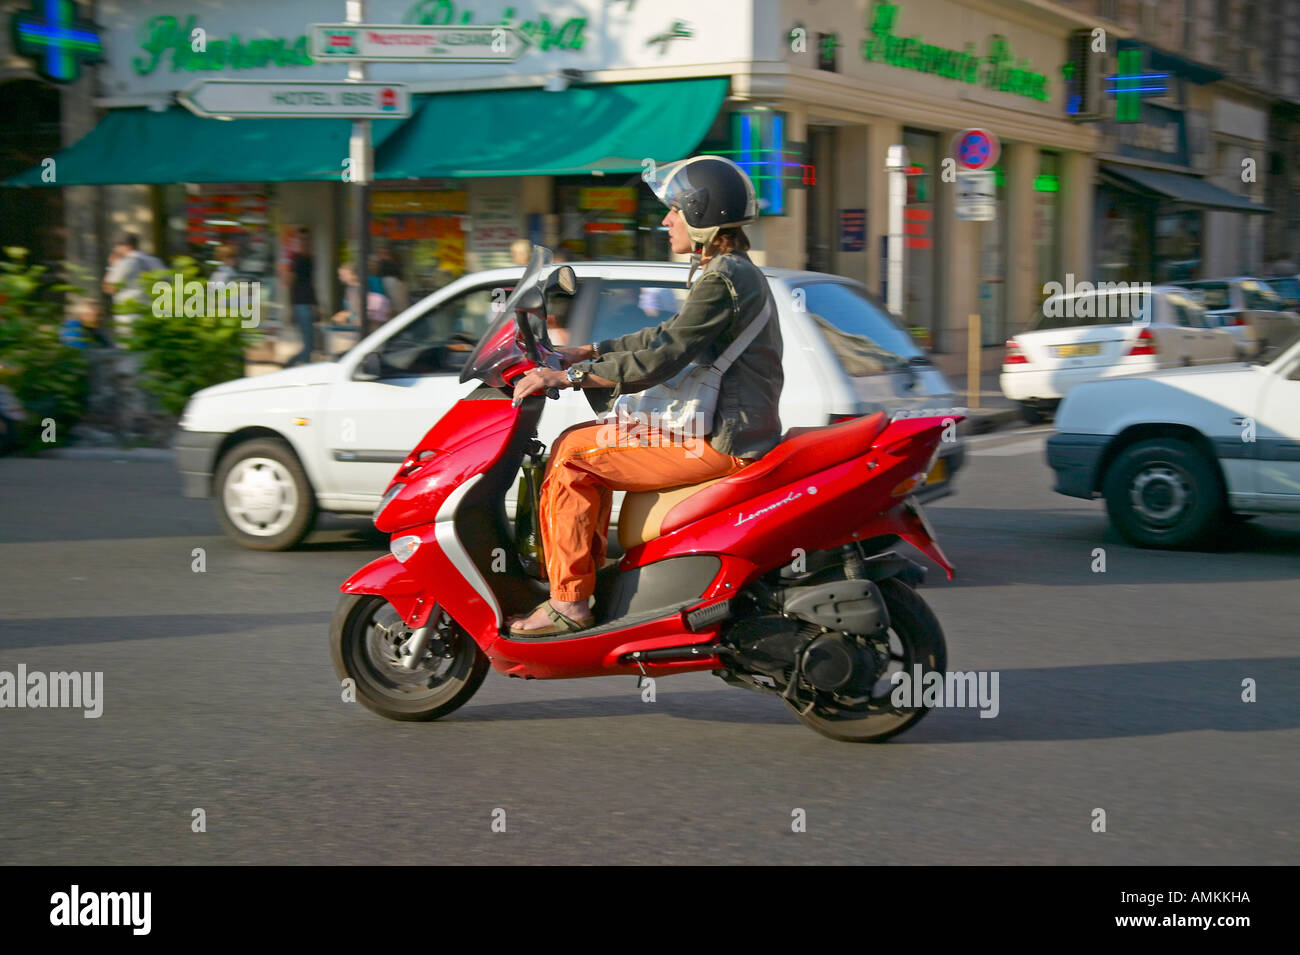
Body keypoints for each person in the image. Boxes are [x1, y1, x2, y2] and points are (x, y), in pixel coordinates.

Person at [507, 156, 784, 635]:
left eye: (675, 210)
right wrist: (585, 352)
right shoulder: (728, 271)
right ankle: (587, 583)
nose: (665, 220)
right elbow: (663, 335)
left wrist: (569, 378)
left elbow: (665, 356)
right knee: (582, 438)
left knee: (573, 456)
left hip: (725, 440)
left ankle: (569, 603)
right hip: (731, 429)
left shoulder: (722, 278)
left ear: (703, 215)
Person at [101, 233, 164, 324]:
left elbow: (109, 288)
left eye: (118, 246)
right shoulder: (154, 261)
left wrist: (112, 266)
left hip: (128, 316)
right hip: (152, 315)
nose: (116, 249)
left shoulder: (124, 263)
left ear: (127, 247)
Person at [285, 228, 318, 366]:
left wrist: (316, 305)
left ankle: (294, 365)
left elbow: (312, 283)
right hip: (300, 303)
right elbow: (291, 283)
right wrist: (291, 307)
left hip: (308, 303)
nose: (305, 243)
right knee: (309, 344)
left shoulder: (311, 258)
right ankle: (290, 364)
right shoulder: (296, 260)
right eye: (301, 240)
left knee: (311, 343)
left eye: (307, 240)